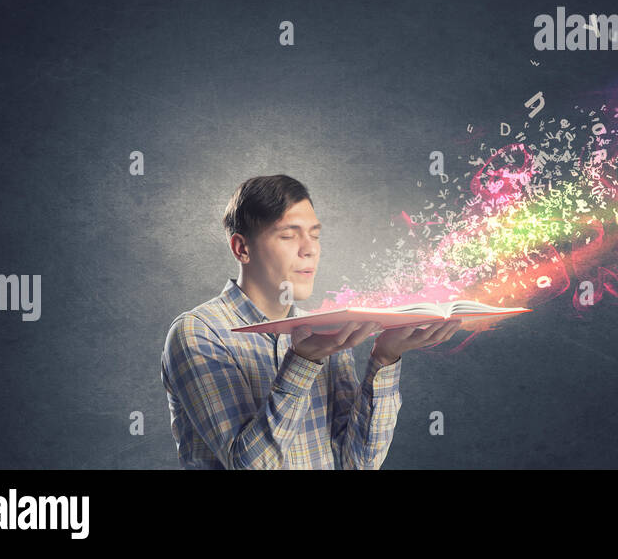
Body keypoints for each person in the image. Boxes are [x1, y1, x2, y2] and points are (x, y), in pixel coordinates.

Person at [161, 174, 460, 468]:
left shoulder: (326, 329)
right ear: (242, 248)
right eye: (289, 235)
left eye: (315, 235)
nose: (310, 249)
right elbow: (250, 465)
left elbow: (359, 463)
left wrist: (385, 357)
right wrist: (303, 361)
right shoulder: (199, 332)